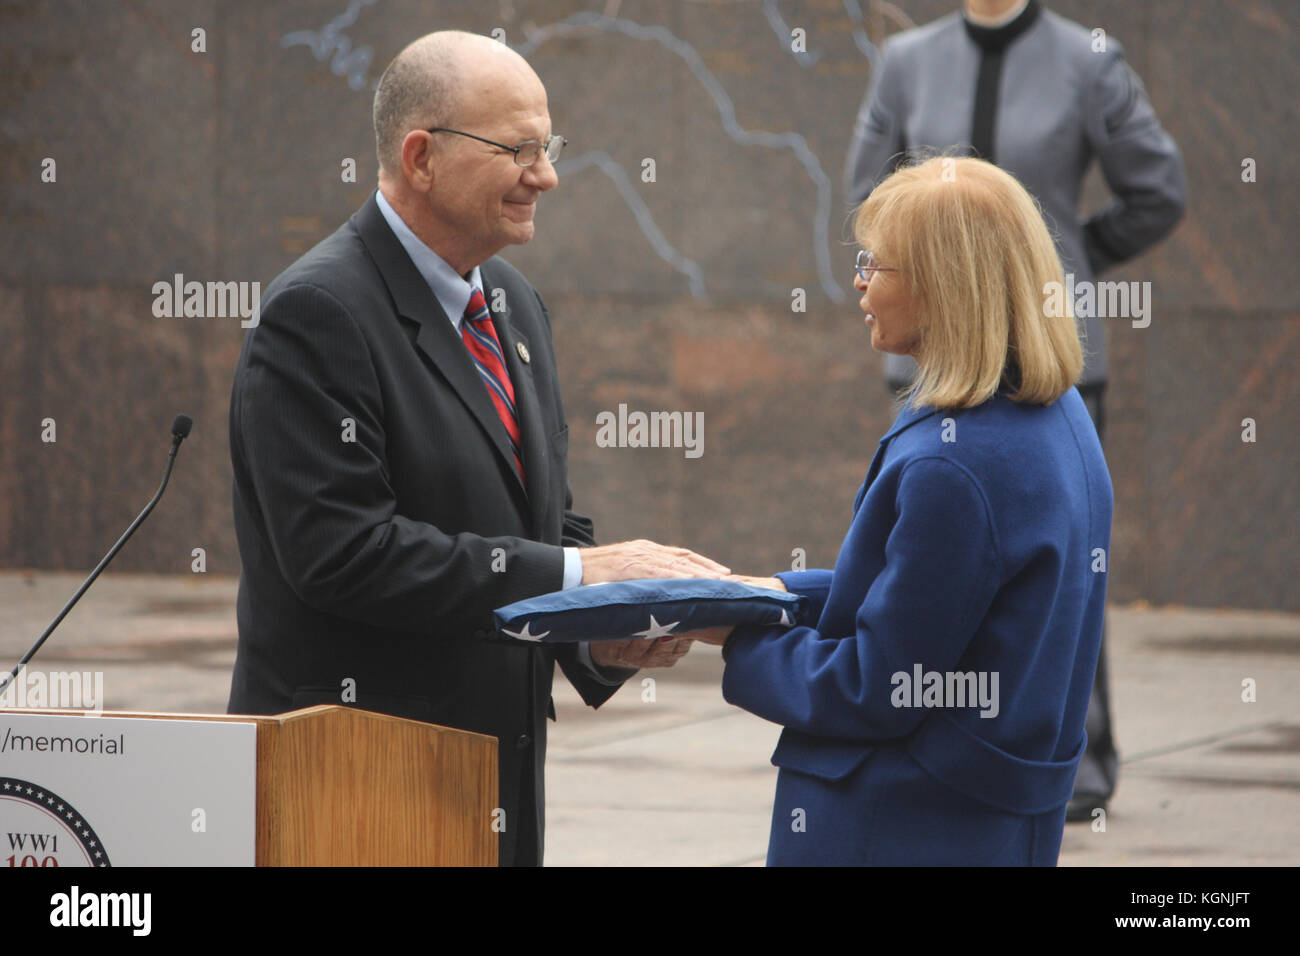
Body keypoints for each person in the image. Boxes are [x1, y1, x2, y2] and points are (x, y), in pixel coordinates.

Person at [226, 31, 726, 867]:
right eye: (519, 149)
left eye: (549, 146)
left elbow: (537, 521)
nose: (548, 175)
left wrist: (599, 628)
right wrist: (578, 577)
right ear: (420, 157)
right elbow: (342, 554)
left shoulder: (513, 301)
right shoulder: (317, 313)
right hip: (355, 775)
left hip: (492, 775)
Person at [690, 156, 1113, 865]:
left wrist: (739, 640)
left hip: (897, 825)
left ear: (947, 286)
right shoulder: (1057, 416)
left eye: (876, 265)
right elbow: (941, 598)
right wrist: (769, 598)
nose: (858, 282)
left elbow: (877, 687)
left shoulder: (955, 461)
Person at [843, 0, 1187, 819]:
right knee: (928, 573)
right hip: (932, 358)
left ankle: (1075, 758)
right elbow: (868, 194)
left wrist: (1056, 260)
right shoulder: (906, 60)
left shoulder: (1089, 59)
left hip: (1042, 361)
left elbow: (1157, 190)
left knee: (1059, 571)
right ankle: (935, 744)